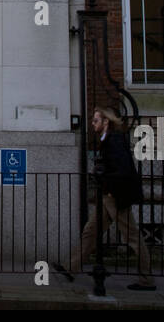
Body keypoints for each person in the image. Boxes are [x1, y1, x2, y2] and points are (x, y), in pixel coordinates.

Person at [56, 106, 155, 290]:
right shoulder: (107, 140)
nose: (92, 124)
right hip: (108, 196)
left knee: (132, 238)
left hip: (116, 196)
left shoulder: (114, 140)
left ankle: (147, 280)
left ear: (105, 122)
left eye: (95, 120)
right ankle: (70, 268)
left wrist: (106, 180)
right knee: (90, 232)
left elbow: (122, 170)